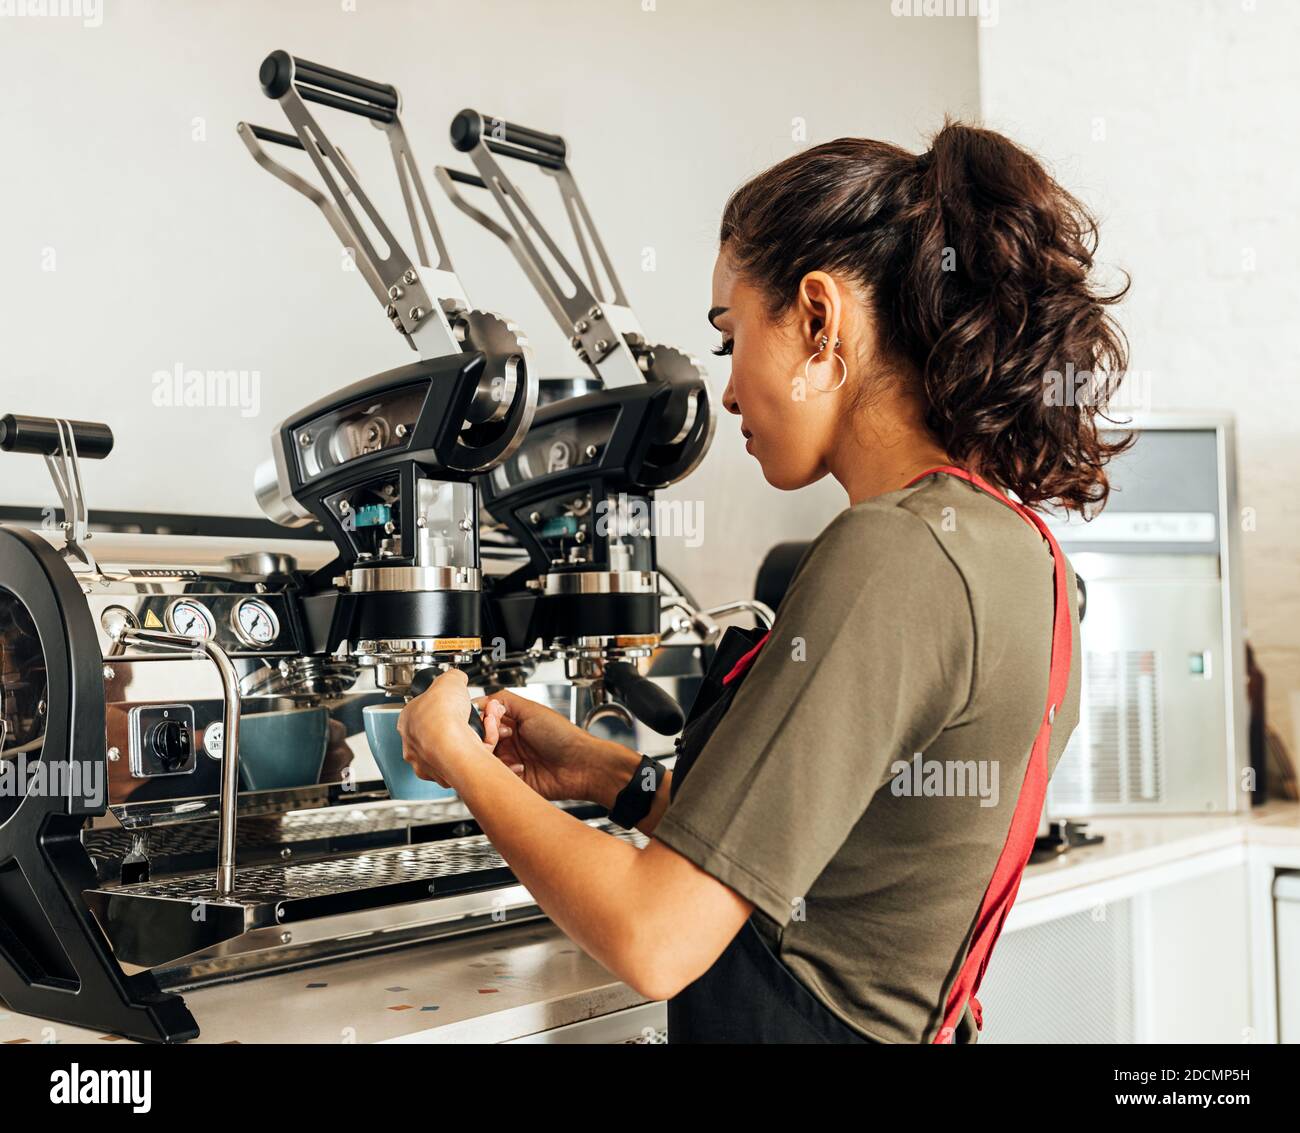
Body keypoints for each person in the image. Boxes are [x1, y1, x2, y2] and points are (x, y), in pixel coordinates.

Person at [397, 121, 1129, 1043]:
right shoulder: (1025, 553)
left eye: (728, 335)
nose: (731, 391)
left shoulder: (892, 554)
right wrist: (604, 773)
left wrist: (455, 756)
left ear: (819, 320)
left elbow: (655, 936)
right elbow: (836, 859)